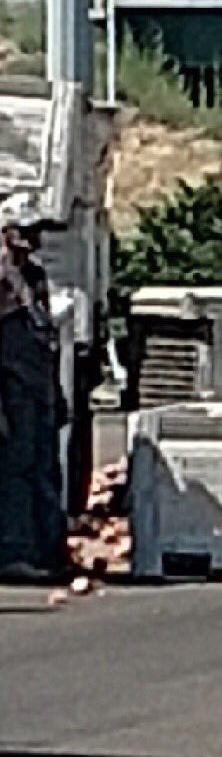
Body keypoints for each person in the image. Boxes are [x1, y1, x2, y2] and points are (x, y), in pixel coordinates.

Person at [0, 198, 68, 579]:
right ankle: (14, 553)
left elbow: (46, 339)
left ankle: (49, 551)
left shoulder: (35, 277)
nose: (33, 239)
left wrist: (57, 395)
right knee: (16, 470)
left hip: (37, 388)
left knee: (44, 467)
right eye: (24, 232)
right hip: (12, 393)